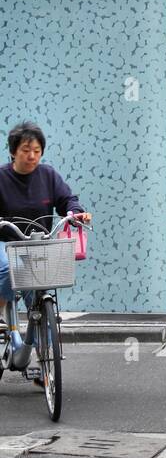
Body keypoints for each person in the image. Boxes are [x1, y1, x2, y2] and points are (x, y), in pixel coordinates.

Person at [0, 121, 91, 373]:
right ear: (13, 151)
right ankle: (1, 305)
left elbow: (67, 200)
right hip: (6, 243)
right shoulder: (2, 177)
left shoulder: (48, 175)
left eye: (37, 151)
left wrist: (76, 213)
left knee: (41, 298)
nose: (32, 156)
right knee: (8, 266)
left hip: (38, 244)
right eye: (26, 150)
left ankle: (46, 368)